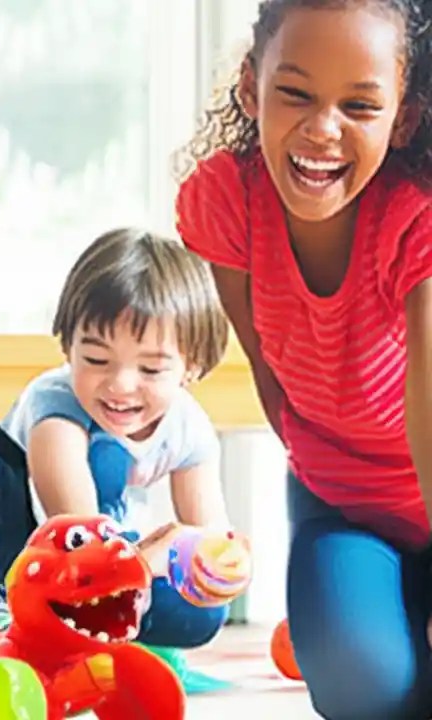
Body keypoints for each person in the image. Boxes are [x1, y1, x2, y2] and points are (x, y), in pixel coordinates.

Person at [174, 0, 432, 716]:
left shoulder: (416, 215)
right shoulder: (225, 201)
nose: (323, 129)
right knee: (364, 684)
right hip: (344, 507)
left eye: (360, 105)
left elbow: (429, 401)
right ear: (250, 87)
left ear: (402, 118)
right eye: (296, 93)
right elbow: (268, 367)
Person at [0, 229, 236, 691]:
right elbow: (77, 532)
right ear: (68, 348)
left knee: (202, 610)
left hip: (104, 532)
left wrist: (218, 565)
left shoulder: (191, 428)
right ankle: (19, 608)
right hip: (7, 511)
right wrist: (142, 558)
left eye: (150, 369)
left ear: (193, 367)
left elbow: (210, 538)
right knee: (103, 459)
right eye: (96, 359)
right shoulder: (56, 408)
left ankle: (104, 624)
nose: (121, 385)